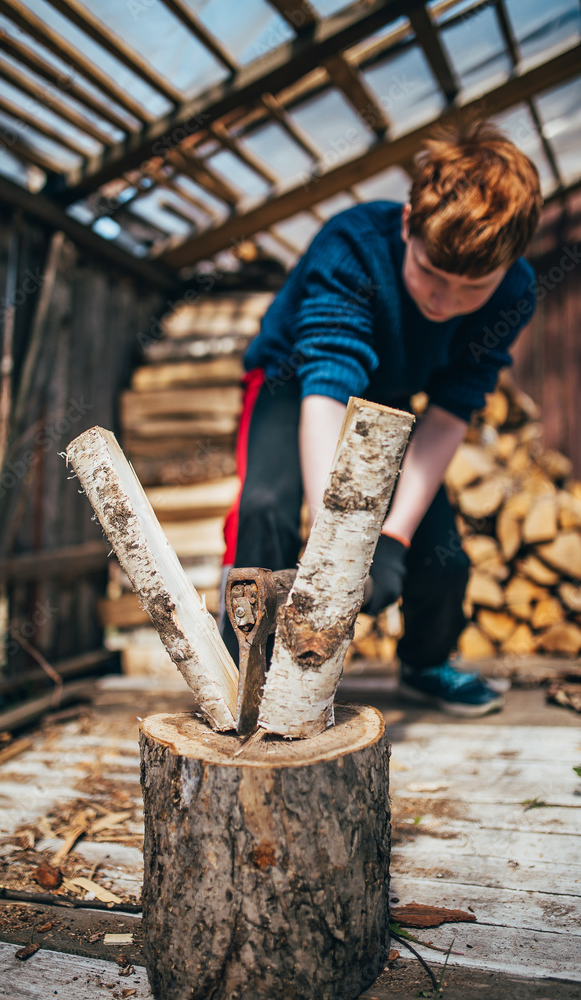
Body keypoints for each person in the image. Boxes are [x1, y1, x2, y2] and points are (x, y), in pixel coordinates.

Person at [220, 117, 543, 717]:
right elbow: (327, 389)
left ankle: (426, 664)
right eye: (431, 274)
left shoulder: (517, 290)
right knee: (264, 505)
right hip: (296, 380)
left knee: (441, 549)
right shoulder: (351, 246)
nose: (444, 302)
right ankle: (246, 672)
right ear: (407, 223)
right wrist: (334, 542)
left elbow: (449, 413)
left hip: (394, 398)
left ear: (509, 266)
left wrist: (391, 540)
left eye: (472, 288)